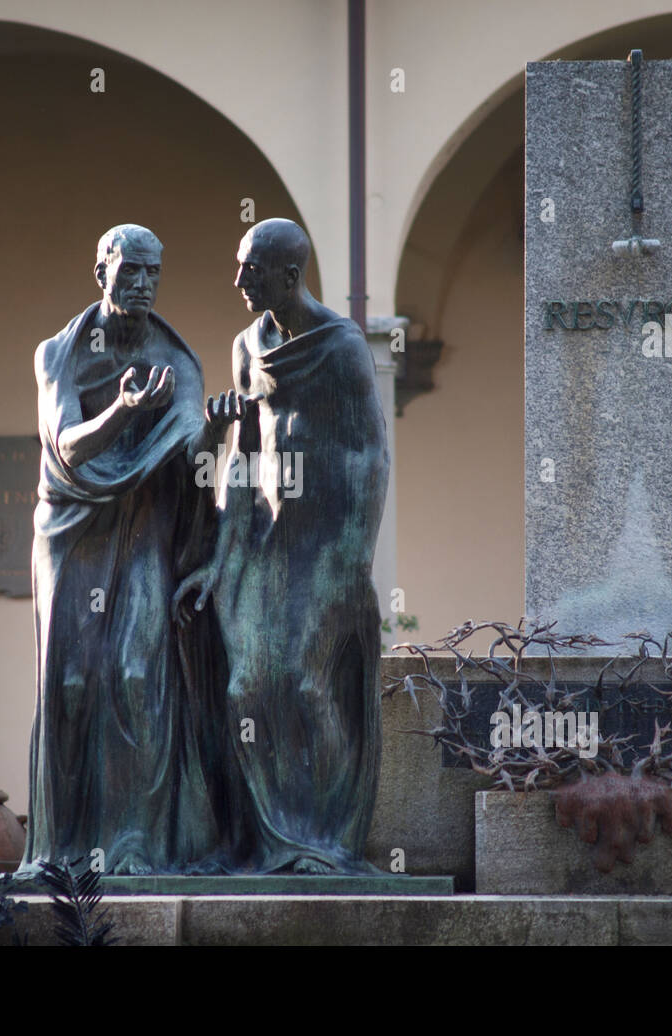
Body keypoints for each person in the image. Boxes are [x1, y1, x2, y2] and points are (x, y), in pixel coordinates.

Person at [19, 224, 239, 877]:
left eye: (152, 273)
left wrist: (219, 431)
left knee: (139, 678)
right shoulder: (59, 352)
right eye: (129, 271)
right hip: (74, 531)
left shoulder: (177, 358)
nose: (141, 284)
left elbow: (192, 454)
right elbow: (66, 446)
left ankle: (133, 844)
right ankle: (59, 850)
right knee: (71, 682)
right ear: (101, 273)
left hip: (145, 524)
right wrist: (121, 409)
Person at [174, 218, 390, 874]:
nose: (239, 280)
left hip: (326, 543)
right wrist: (220, 555)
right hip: (262, 540)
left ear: (289, 277)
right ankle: (268, 839)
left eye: (252, 270)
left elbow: (371, 454)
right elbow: (248, 452)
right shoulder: (246, 346)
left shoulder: (342, 347)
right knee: (244, 690)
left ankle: (325, 836)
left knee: (301, 681)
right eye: (239, 265)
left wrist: (352, 554)